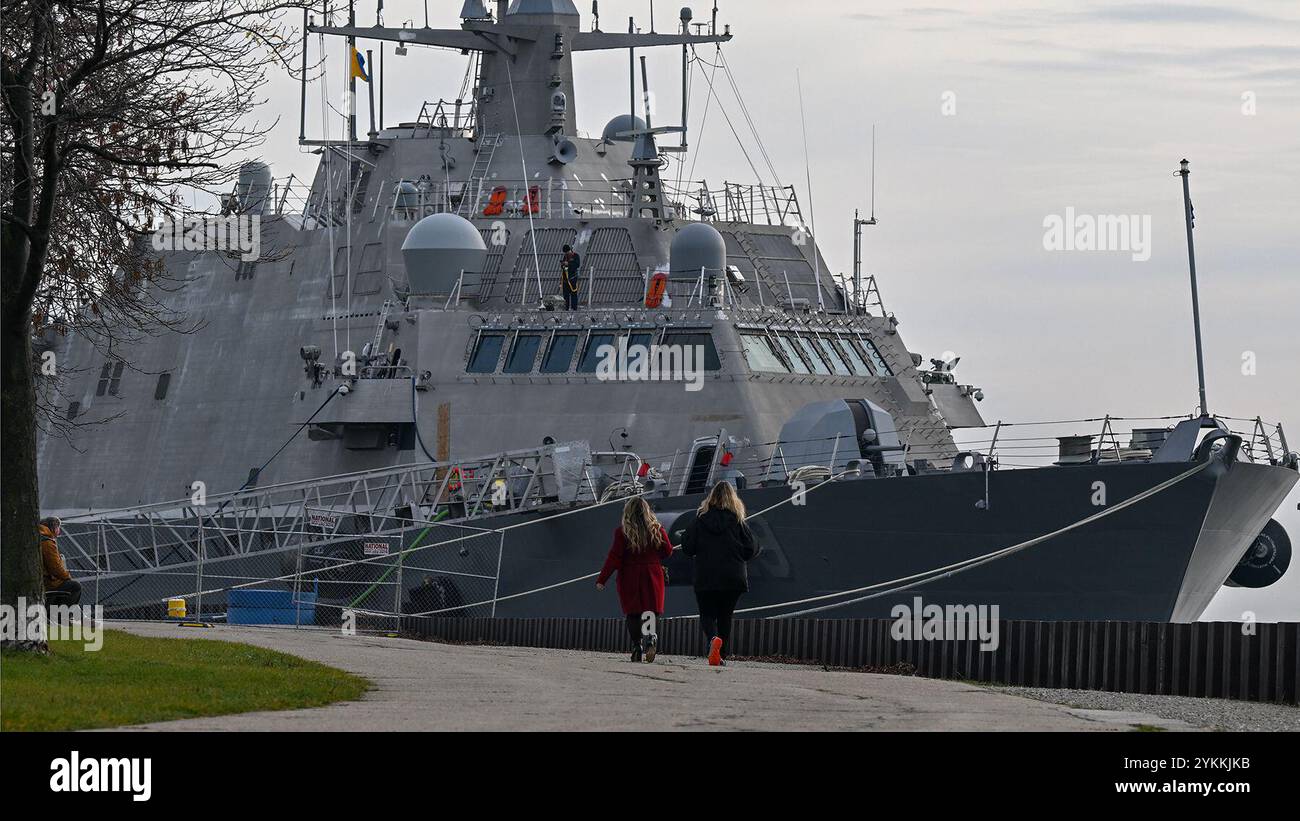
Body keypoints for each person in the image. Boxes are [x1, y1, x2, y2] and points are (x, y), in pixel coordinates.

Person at [680, 481, 759, 665]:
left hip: (706, 576)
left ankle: (712, 641)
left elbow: (687, 548)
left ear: (711, 498)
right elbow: (751, 548)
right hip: (733, 576)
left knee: (707, 614)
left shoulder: (700, 520)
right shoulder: (738, 520)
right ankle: (721, 655)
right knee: (725, 615)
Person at [596, 497, 673, 662]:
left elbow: (614, 558)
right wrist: (653, 556)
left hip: (629, 576)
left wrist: (602, 579)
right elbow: (668, 551)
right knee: (649, 610)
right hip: (652, 574)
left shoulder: (622, 532)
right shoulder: (656, 529)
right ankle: (651, 637)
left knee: (633, 613)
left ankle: (637, 647)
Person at [40, 517, 82, 606]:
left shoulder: (39, 537)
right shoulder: (48, 542)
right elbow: (55, 568)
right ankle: (61, 615)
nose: (59, 531)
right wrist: (67, 576)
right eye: (59, 528)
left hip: (43, 579)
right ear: (54, 528)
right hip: (48, 582)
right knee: (75, 586)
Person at [560, 244, 581, 310]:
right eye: (565, 253)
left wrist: (568, 264)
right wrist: (563, 264)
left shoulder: (576, 256)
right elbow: (563, 267)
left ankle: (574, 308)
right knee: (566, 295)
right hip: (566, 279)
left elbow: (577, 265)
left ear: (570, 250)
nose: (566, 254)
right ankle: (566, 307)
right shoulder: (565, 257)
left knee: (574, 294)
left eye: (567, 252)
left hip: (573, 278)